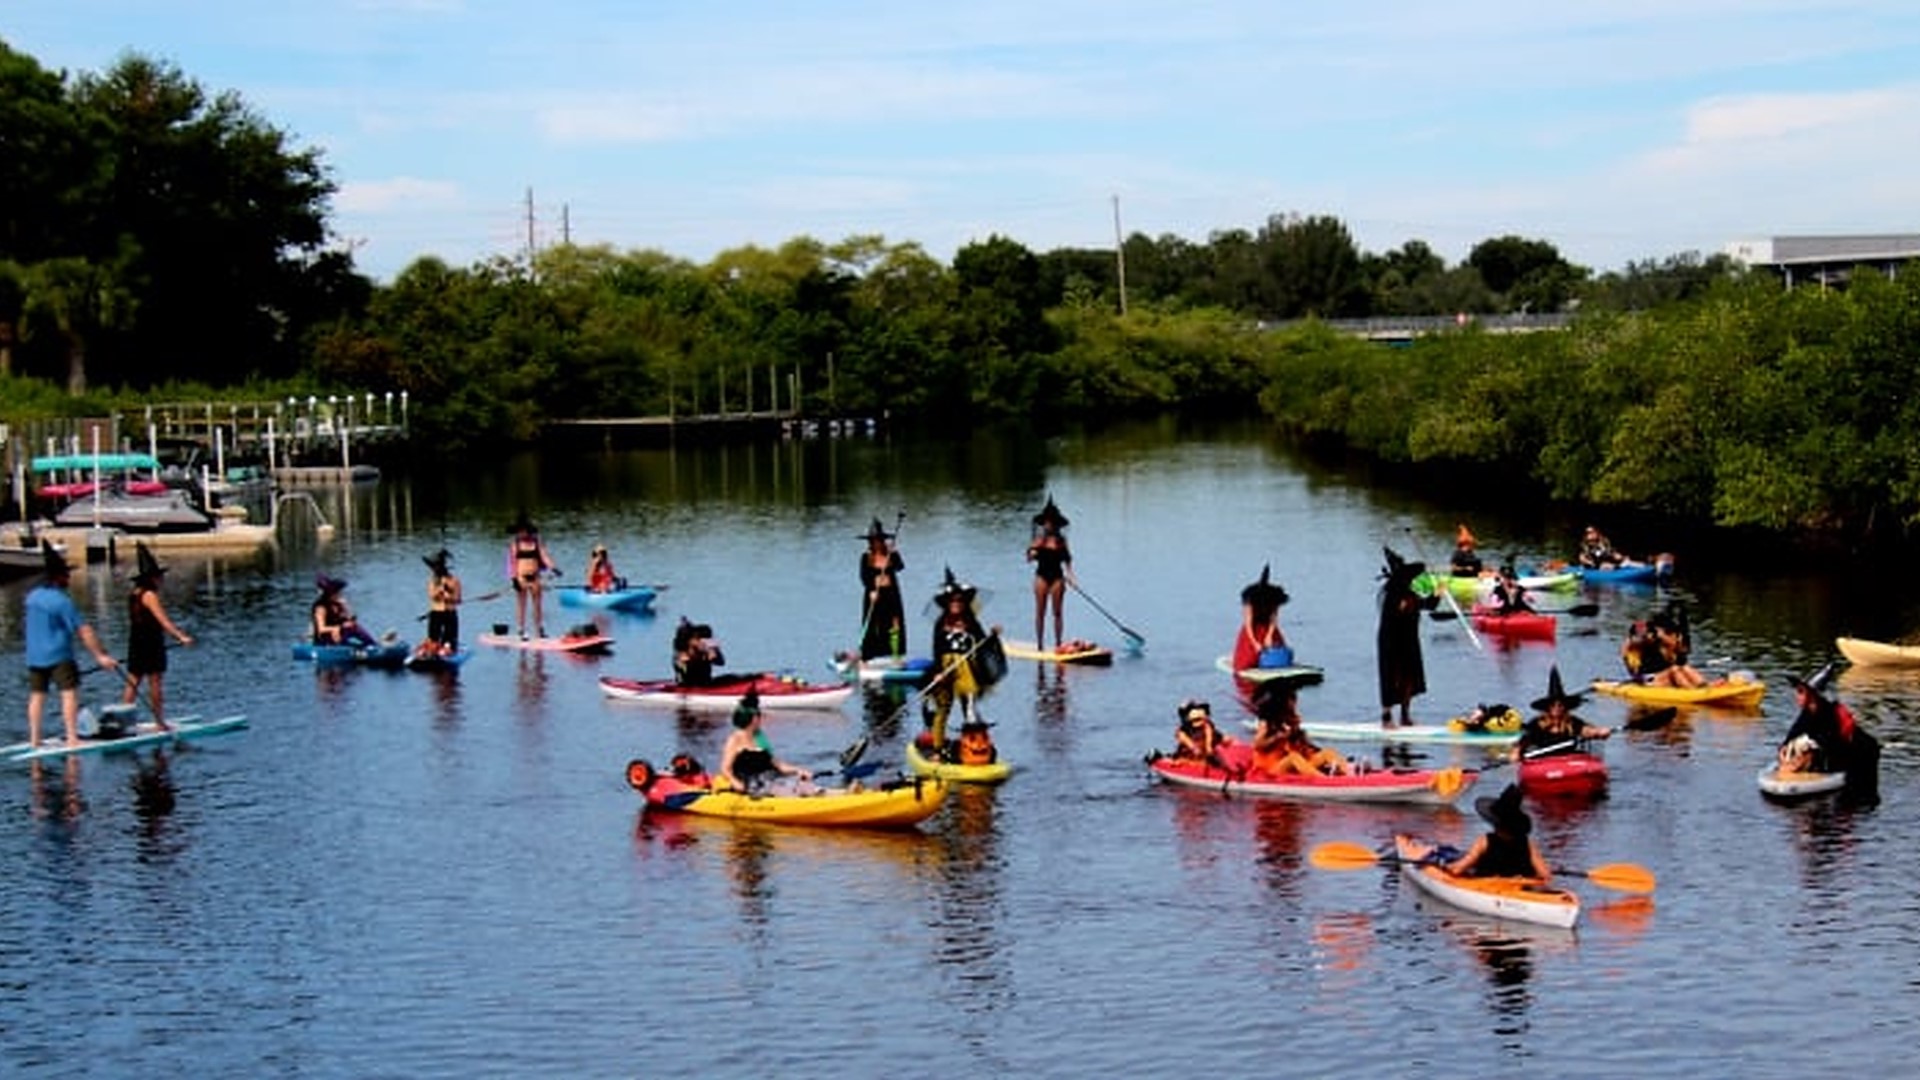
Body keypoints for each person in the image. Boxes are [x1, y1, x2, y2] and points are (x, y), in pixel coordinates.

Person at [25, 543, 119, 749]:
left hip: (34, 656)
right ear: (57, 577)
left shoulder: (31, 598)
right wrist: (100, 656)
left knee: (37, 696)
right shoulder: (62, 601)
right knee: (69, 694)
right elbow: (84, 630)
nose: (68, 578)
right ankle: (72, 738)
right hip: (59, 656)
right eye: (66, 575)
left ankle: (34, 739)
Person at [1779, 663, 1880, 805]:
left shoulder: (1829, 714)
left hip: (1863, 755)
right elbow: (1794, 732)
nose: (1797, 696)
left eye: (1801, 692)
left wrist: (1810, 751)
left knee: (1856, 800)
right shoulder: (1808, 713)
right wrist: (1784, 746)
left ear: (1812, 695)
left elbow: (1832, 745)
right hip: (1840, 751)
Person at [122, 543, 194, 728]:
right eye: (159, 576)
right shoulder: (149, 596)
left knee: (133, 681)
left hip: (135, 640)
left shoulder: (134, 594)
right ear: (151, 578)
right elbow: (164, 621)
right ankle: (159, 722)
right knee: (155, 682)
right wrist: (181, 637)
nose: (161, 579)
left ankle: (122, 721)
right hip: (150, 642)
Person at [928, 568, 995, 750]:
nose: (956, 604)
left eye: (959, 600)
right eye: (953, 601)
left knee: (970, 709)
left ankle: (974, 746)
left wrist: (992, 636)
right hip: (946, 669)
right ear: (947, 603)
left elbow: (982, 642)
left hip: (967, 671)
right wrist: (937, 673)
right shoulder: (940, 623)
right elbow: (936, 649)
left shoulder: (971, 622)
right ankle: (937, 748)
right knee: (943, 708)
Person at [1377, 546, 1438, 727]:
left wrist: (1436, 594)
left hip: (1409, 639)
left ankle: (1405, 715)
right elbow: (1407, 606)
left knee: (1410, 676)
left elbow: (1426, 605)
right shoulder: (1392, 594)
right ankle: (1386, 716)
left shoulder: (1409, 592)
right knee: (1392, 676)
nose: (1411, 580)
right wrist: (1429, 598)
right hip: (1391, 641)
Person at [1248, 677, 1353, 776]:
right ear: (1281, 701)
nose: (1295, 703)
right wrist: (1278, 737)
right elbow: (1257, 744)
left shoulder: (1290, 719)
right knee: (1293, 758)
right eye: (1292, 699)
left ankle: (1351, 774)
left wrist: (1303, 739)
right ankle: (1325, 780)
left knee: (1328, 752)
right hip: (1271, 768)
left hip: (1290, 763)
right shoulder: (1266, 722)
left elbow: (1299, 743)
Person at [1443, 784, 1552, 880]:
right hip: (1519, 889)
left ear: (1495, 822)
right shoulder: (1527, 844)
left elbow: (1458, 869)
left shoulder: (1484, 841)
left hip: (1489, 890)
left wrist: (1446, 866)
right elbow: (1545, 875)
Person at [719, 689, 813, 791]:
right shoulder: (734, 740)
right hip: (753, 784)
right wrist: (735, 782)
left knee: (804, 786)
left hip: (772, 780)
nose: (761, 720)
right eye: (760, 717)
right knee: (786, 789)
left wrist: (798, 770)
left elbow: (779, 765)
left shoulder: (760, 739)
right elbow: (725, 769)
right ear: (754, 719)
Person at [1512, 666, 1611, 762]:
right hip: (1543, 763)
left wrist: (1599, 732)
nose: (1557, 708)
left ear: (1565, 707)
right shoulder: (1537, 724)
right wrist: (1516, 753)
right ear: (1548, 708)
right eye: (1553, 705)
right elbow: (1521, 742)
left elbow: (1586, 730)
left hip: (1569, 762)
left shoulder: (1571, 722)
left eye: (1560, 705)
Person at [1026, 496, 1075, 649]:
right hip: (1041, 578)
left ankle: (1058, 644)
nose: (1048, 525)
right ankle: (1040, 645)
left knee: (1057, 613)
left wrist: (1071, 576)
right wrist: (1033, 552)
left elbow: (1067, 559)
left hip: (1057, 579)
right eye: (1046, 522)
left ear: (1056, 524)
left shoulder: (1062, 541)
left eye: (1051, 522)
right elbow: (1028, 558)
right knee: (1040, 612)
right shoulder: (1039, 540)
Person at [857, 517, 906, 660]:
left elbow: (900, 567)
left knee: (893, 623)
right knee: (873, 623)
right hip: (873, 594)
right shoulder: (865, 557)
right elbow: (864, 576)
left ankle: (894, 654)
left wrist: (895, 553)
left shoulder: (890, 555)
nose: (876, 543)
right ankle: (869, 654)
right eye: (873, 540)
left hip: (891, 594)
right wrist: (871, 590)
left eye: (879, 540)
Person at [506, 511, 558, 639]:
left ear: (527, 530)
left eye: (522, 531)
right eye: (518, 531)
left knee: (537, 605)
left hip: (535, 577)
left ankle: (539, 630)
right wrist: (513, 579)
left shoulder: (536, 542)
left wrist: (553, 568)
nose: (520, 533)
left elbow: (544, 556)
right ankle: (521, 629)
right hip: (521, 577)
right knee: (522, 604)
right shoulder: (515, 544)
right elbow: (512, 563)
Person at [1232, 564, 1291, 672]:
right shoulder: (1250, 600)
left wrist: (1269, 635)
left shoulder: (1273, 598)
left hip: (1268, 626)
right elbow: (1248, 624)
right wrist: (1255, 643)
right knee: (1248, 660)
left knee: (1276, 649)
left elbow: (1273, 619)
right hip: (1253, 629)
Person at [312, 573, 378, 647]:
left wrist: (345, 606)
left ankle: (372, 644)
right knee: (351, 628)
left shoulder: (338, 604)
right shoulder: (321, 607)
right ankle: (373, 645)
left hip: (338, 634)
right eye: (336, 592)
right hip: (325, 638)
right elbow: (321, 629)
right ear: (329, 594)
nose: (339, 594)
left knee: (353, 626)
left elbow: (350, 620)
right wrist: (336, 628)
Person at [421, 548, 463, 657]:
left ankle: (448, 650)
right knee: (433, 639)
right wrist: (440, 590)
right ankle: (430, 651)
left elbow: (458, 599)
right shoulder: (432, 581)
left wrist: (449, 594)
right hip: (436, 613)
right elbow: (432, 596)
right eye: (433, 567)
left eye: (436, 567)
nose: (434, 570)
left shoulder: (454, 580)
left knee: (449, 642)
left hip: (450, 613)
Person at [672, 618, 725, 686]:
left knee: (733, 678)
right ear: (690, 641)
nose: (702, 642)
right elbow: (686, 670)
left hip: (706, 683)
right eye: (698, 639)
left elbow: (721, 663)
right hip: (688, 686)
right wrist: (701, 659)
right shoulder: (682, 655)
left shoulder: (706, 651)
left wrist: (715, 653)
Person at [1172, 698, 1226, 763]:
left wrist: (1210, 749)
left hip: (1210, 753)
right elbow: (1189, 743)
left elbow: (1215, 738)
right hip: (1192, 755)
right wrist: (1195, 749)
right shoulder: (1183, 732)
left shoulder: (1207, 726)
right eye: (1195, 719)